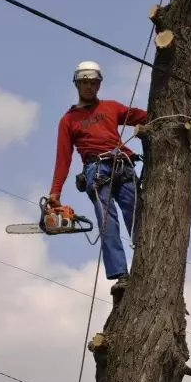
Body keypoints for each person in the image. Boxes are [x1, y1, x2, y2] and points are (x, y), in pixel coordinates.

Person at [48, 60, 147, 294]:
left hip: (122, 165)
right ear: (77, 84)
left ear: (99, 84)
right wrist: (55, 191)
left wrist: (153, 120)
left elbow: (142, 116)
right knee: (107, 221)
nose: (90, 87)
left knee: (138, 214)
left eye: (94, 83)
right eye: (85, 82)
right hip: (96, 169)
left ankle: (146, 264)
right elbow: (63, 159)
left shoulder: (111, 107)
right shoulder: (68, 121)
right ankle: (121, 274)